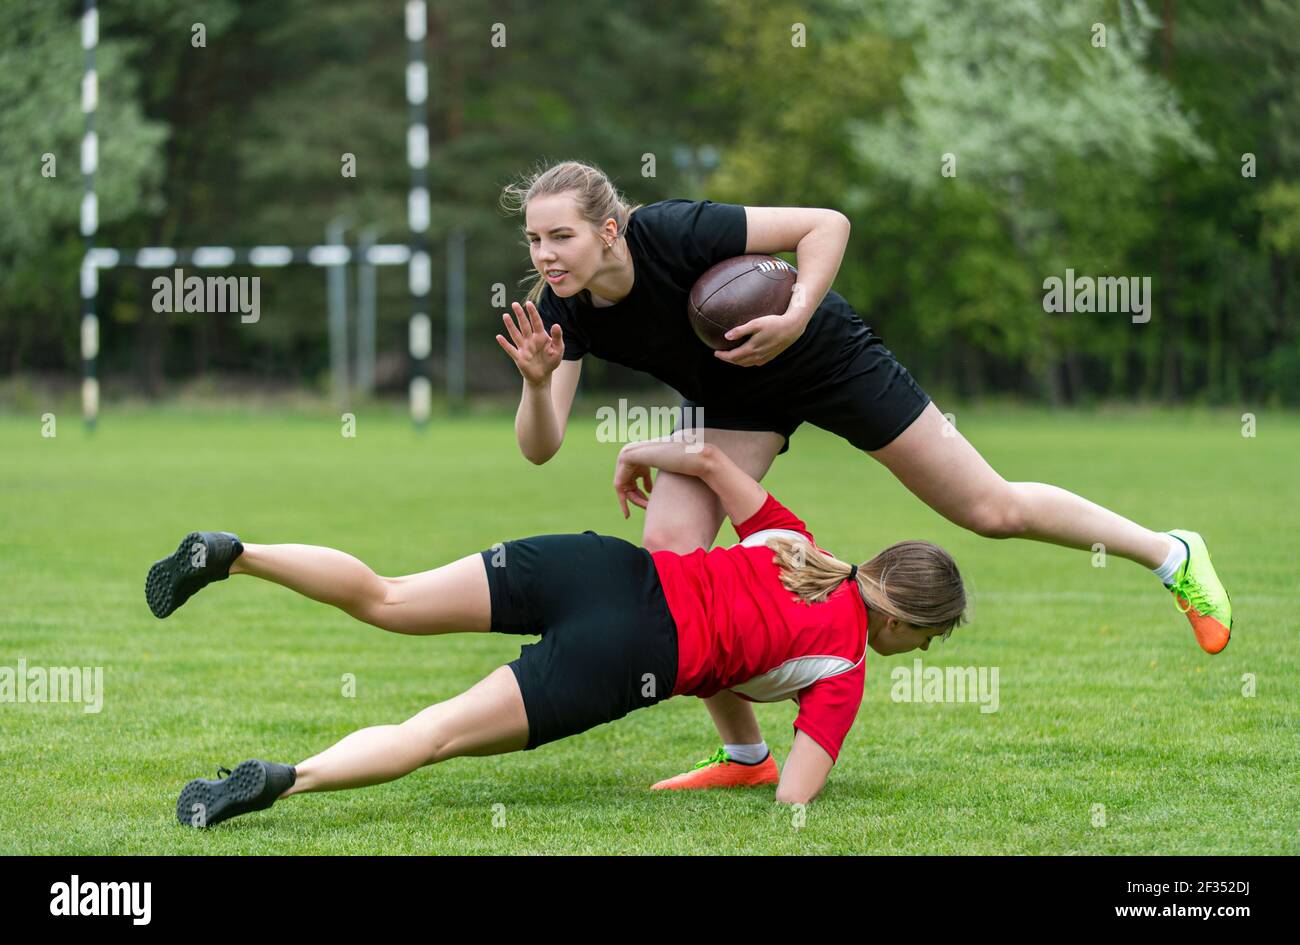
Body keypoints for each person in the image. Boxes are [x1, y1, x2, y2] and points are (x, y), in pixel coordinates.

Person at [495, 159, 1233, 790]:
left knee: (989, 507)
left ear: (610, 230)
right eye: (535, 238)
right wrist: (536, 382)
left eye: (561, 235)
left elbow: (827, 223)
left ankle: (1171, 553)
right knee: (671, 559)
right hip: (733, 397)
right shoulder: (562, 308)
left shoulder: (673, 230)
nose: (547, 253)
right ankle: (747, 755)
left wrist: (796, 312)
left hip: (825, 355)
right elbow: (540, 447)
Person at [151, 437, 965, 829]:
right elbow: (797, 796)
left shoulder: (799, 544)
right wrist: (785, 779)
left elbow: (713, 462)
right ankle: (283, 778)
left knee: (387, 595)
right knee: (430, 734)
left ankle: (237, 555)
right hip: (629, 652)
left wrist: (635, 456)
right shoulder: (845, 666)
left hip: (602, 567)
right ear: (896, 618)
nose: (914, 652)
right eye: (922, 639)